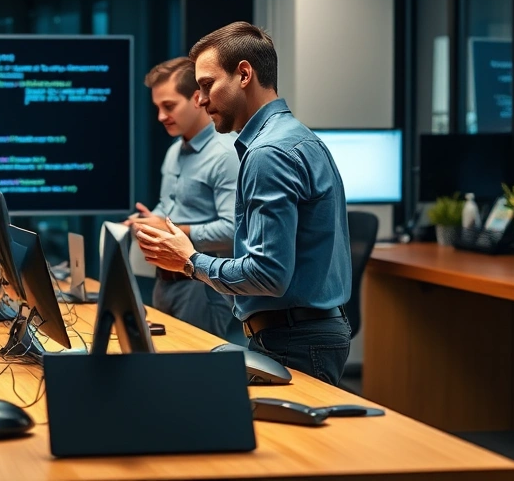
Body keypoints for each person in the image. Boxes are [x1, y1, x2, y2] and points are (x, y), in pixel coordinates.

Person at [133, 21, 352, 385]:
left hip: (294, 338)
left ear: (244, 74)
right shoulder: (293, 138)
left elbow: (267, 274)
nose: (201, 99)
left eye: (206, 86)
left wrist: (189, 261)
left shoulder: (269, 153)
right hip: (299, 334)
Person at [124, 57, 239, 339]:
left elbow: (234, 230)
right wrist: (147, 220)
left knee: (195, 374)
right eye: (158, 108)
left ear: (198, 98)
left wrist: (173, 230)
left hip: (202, 287)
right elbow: (171, 206)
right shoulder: (175, 151)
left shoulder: (224, 155)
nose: (161, 116)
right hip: (165, 282)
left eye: (169, 106)